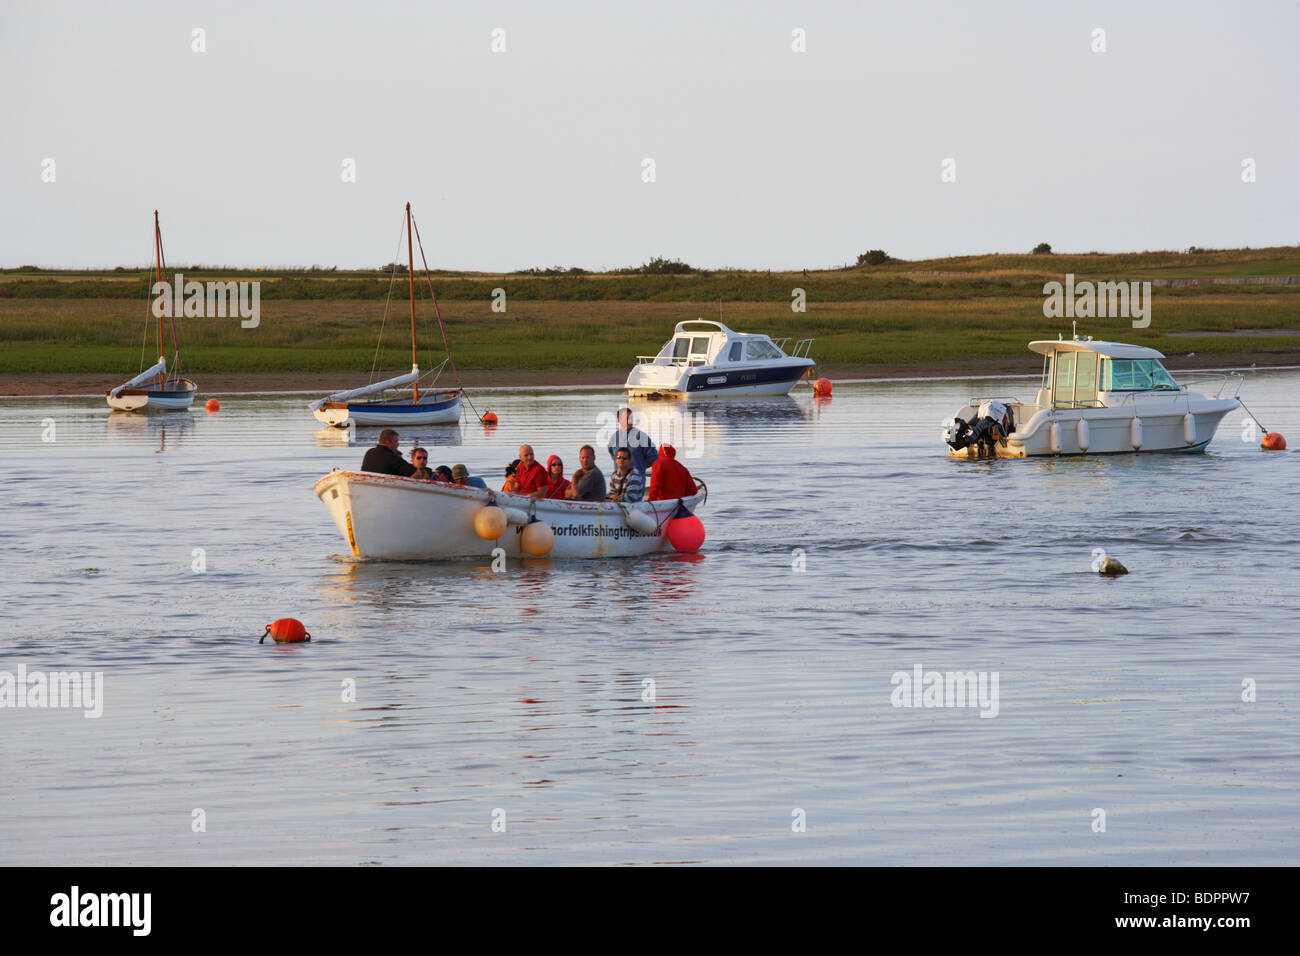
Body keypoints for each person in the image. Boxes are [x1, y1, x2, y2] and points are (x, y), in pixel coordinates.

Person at [608, 406, 658, 474]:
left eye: (631, 418)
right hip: (619, 481)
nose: (629, 421)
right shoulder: (614, 438)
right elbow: (613, 456)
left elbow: (654, 458)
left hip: (637, 481)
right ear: (619, 420)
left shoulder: (641, 437)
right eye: (626, 418)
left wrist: (640, 467)